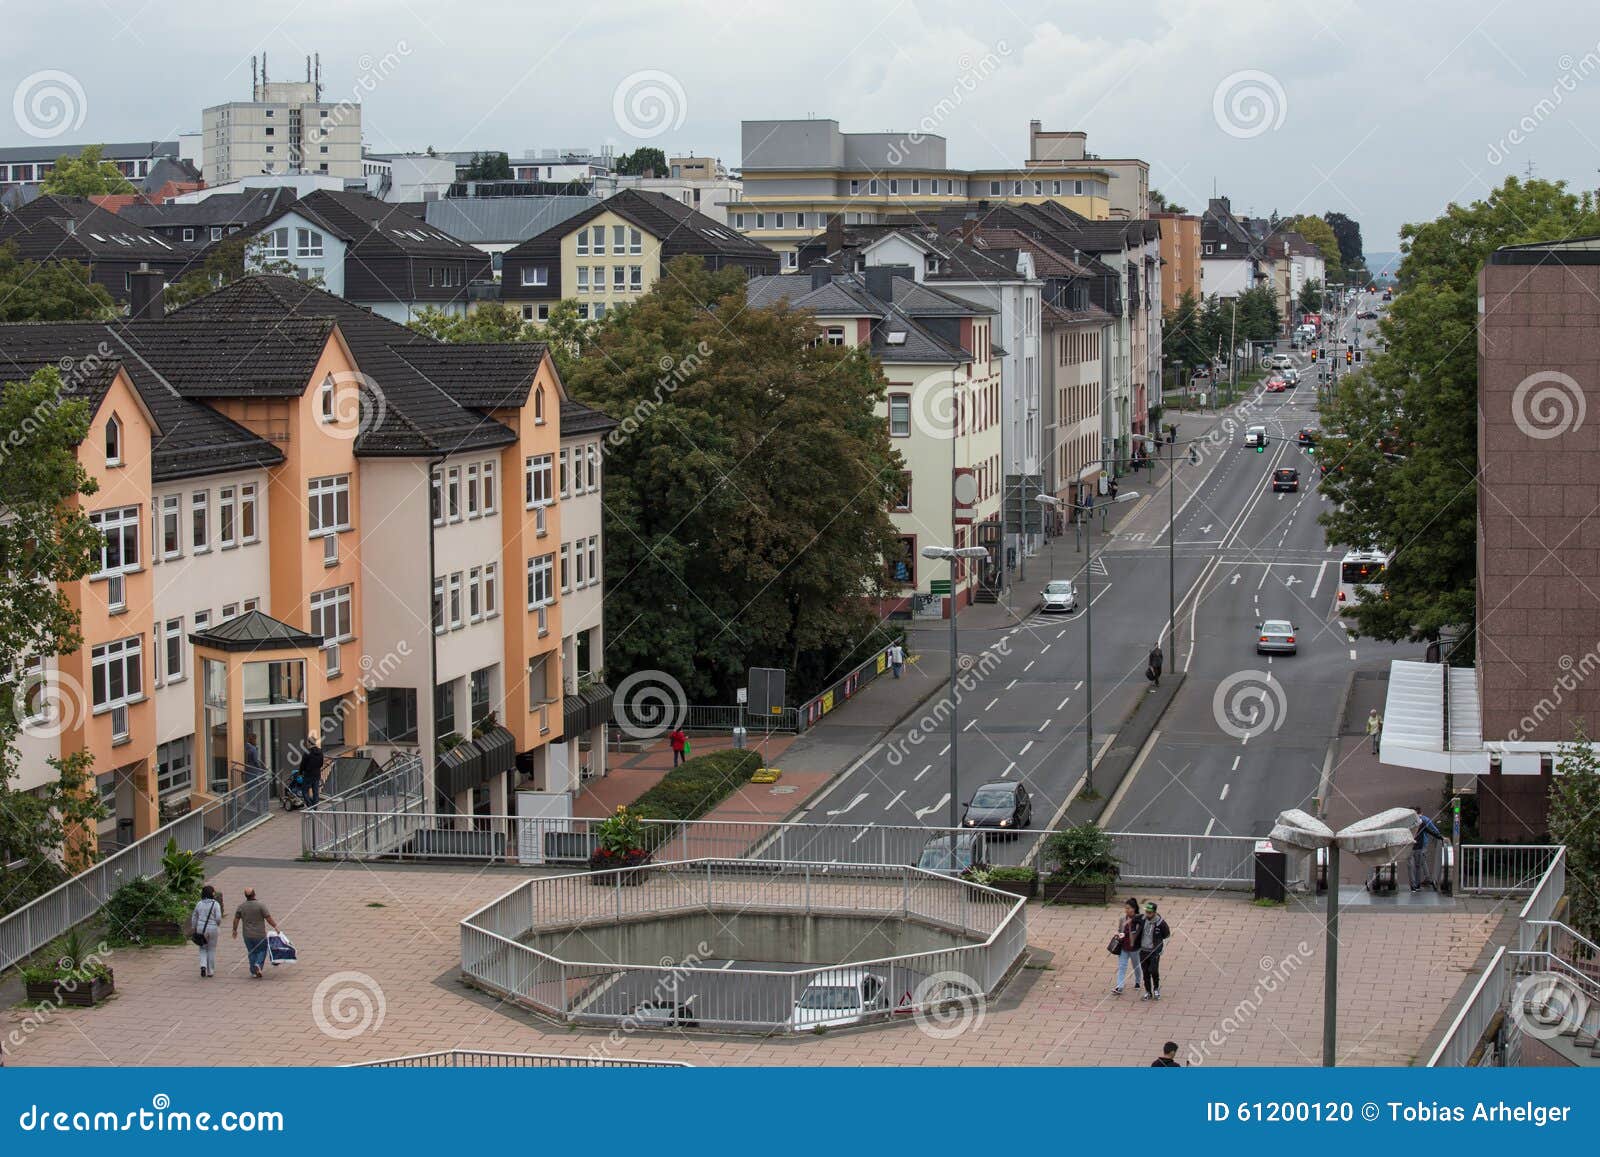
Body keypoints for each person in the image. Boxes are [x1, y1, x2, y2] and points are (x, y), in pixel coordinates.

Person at [231, 887, 281, 978]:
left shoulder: (241, 907)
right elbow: (268, 918)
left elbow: (236, 919)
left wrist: (234, 930)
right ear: (254, 894)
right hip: (259, 934)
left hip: (247, 935)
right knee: (262, 950)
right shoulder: (260, 905)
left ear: (245, 896)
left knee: (251, 951)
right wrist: (275, 927)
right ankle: (258, 964)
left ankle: (253, 972)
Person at [1138, 900, 1171, 1001]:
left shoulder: (1161, 923)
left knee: (1153, 970)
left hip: (1154, 952)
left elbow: (1167, 934)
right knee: (1145, 972)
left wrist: (1158, 944)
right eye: (1146, 912)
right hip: (1143, 950)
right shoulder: (1142, 919)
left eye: (1149, 912)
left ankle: (1156, 989)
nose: (1147, 914)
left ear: (1155, 912)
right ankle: (1148, 992)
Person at [191, 884, 223, 978]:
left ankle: (203, 965)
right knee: (211, 949)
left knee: (202, 948)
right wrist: (217, 924)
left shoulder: (199, 904)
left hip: (201, 928)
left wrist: (194, 927)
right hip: (213, 928)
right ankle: (210, 971)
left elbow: (194, 916)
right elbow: (218, 918)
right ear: (211, 893)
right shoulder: (215, 904)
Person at [1112, 897, 1143, 996]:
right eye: (1125, 908)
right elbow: (1119, 930)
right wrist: (1118, 934)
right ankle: (1119, 986)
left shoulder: (1139, 920)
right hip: (1123, 947)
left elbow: (1140, 934)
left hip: (1135, 948)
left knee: (1136, 966)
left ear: (1134, 909)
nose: (1126, 910)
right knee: (1122, 967)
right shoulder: (1122, 919)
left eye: (1129, 908)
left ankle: (1138, 981)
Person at [1410, 807, 1446, 892]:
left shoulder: (1413, 821)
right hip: (1422, 844)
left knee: (1416, 864)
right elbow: (1433, 830)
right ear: (1421, 812)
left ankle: (1420, 882)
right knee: (1420, 863)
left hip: (1413, 845)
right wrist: (1440, 837)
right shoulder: (1424, 820)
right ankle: (1423, 881)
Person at [299, 736, 325, 808]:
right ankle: (315, 807)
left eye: (307, 742)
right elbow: (321, 763)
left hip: (308, 775)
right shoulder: (320, 751)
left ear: (309, 743)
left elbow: (302, 765)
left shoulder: (307, 752)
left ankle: (310, 806)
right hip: (317, 774)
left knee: (304, 791)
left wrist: (300, 773)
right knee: (315, 792)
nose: (306, 743)